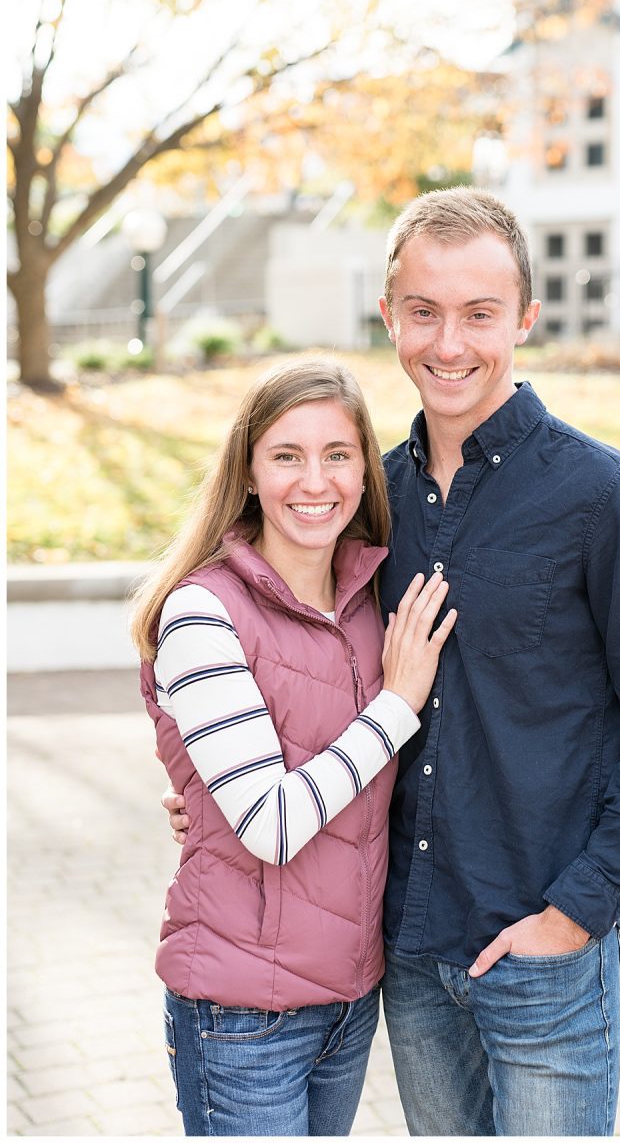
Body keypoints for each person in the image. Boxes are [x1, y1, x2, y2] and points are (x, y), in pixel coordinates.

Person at [165, 187, 620, 1136]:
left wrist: (575, 917)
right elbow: (307, 670)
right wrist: (217, 786)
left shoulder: (605, 498)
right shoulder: (368, 501)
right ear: (390, 317)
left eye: (479, 314)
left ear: (527, 320)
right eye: (423, 311)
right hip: (409, 957)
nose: (448, 342)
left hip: (542, 954)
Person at [130, 358, 457, 1136]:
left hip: (348, 1000)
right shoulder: (203, 611)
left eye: (337, 454)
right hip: (243, 1014)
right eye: (287, 455)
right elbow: (271, 825)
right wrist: (397, 703)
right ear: (247, 470)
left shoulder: (368, 599)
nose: (316, 481)